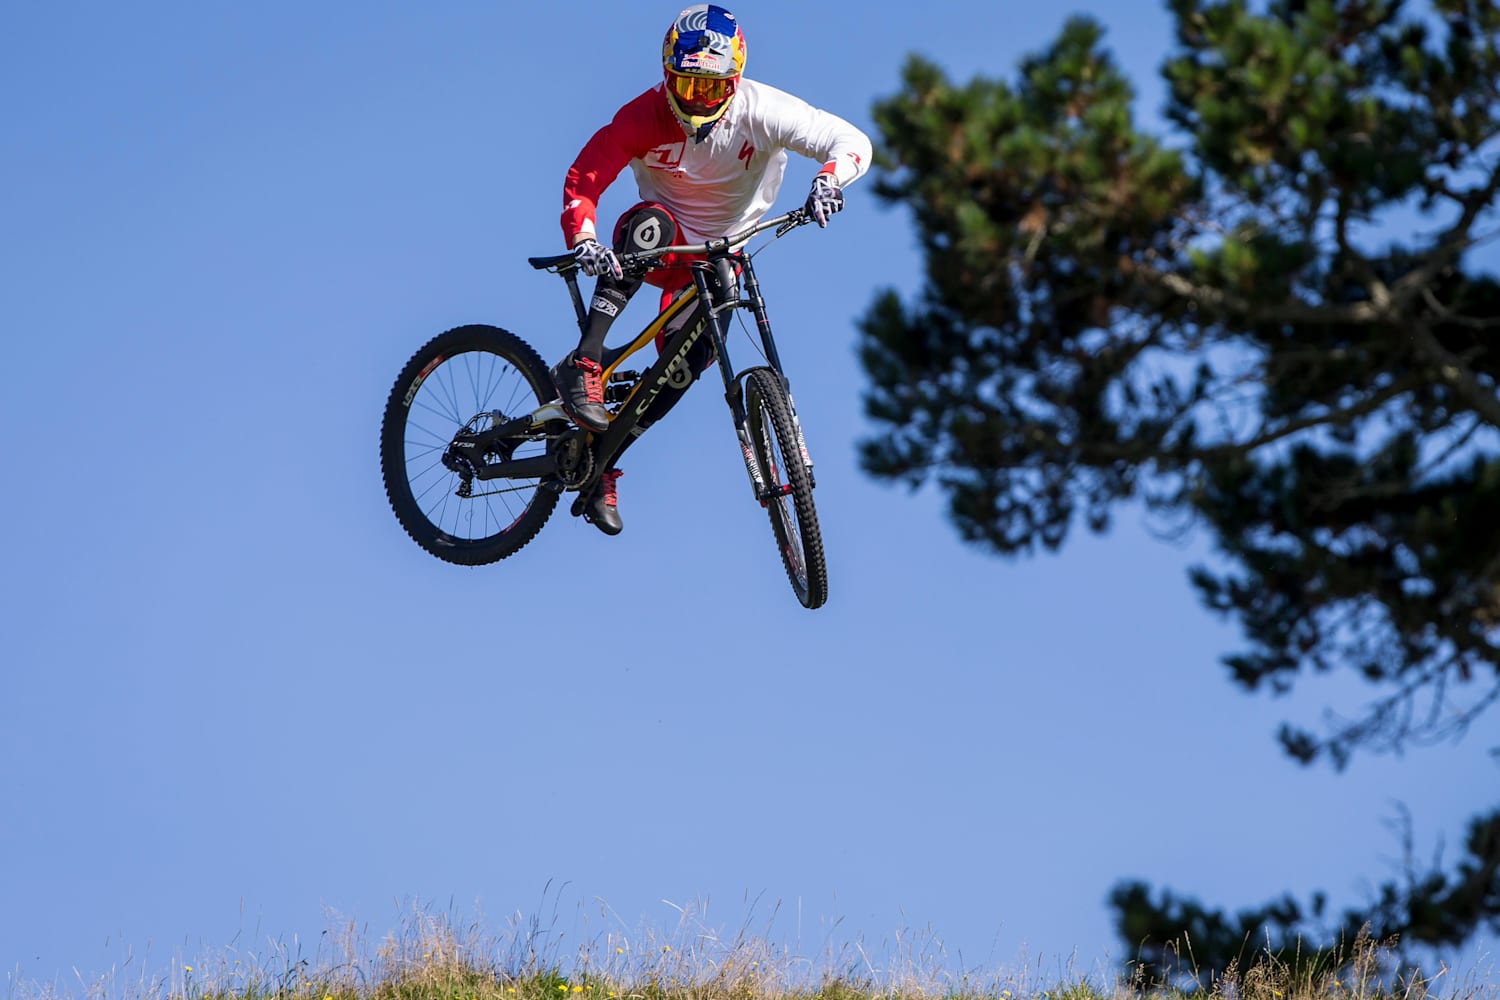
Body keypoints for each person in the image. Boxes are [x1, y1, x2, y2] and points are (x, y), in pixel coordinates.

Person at [551, 3, 871, 535]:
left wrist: (830, 180)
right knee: (650, 224)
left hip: (722, 257)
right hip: (661, 245)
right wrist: (583, 238)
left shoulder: (763, 110)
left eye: (712, 90)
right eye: (687, 87)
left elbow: (849, 140)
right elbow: (585, 177)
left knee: (685, 366)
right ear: (665, 76)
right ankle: (583, 360)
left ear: (736, 80)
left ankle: (599, 462)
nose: (698, 103)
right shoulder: (642, 116)